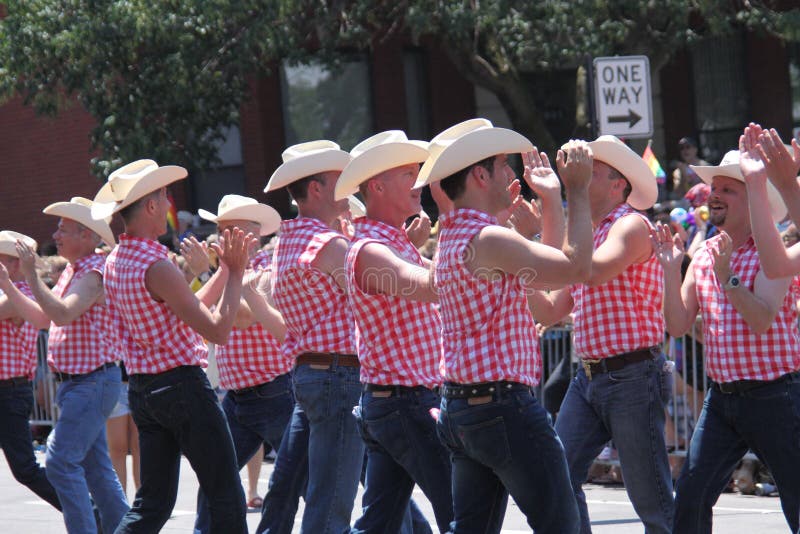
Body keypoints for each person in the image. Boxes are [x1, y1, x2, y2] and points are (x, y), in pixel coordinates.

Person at [417, 118, 594, 532]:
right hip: (502, 405)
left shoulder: (454, 238)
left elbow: (547, 304)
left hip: (462, 407)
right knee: (561, 525)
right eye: (501, 164)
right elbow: (575, 268)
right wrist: (577, 190)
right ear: (480, 175)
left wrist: (551, 202)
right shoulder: (490, 239)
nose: (512, 173)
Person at [90, 159, 253, 534]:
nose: (167, 205)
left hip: (145, 390)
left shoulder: (116, 260)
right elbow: (217, 330)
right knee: (226, 494)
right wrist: (237, 271)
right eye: (163, 197)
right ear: (149, 206)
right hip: (182, 387)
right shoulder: (156, 264)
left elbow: (186, 309)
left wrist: (226, 270)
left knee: (152, 505)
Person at [652, 136, 800, 533]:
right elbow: (679, 325)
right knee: (692, 494)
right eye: (714, 188)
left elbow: (762, 319)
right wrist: (670, 268)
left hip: (775, 396)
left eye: (727, 190)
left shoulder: (772, 252)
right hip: (722, 399)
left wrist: (728, 279)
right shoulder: (703, 253)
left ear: (754, 199)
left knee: (797, 499)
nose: (714, 196)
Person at [531, 135, 674, 533]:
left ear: (618, 185)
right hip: (590, 376)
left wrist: (563, 196)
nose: (581, 178)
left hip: (633, 376)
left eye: (591, 173)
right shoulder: (586, 235)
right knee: (557, 478)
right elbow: (548, 308)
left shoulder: (631, 225)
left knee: (652, 502)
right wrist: (515, 262)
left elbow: (588, 270)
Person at [333, 130, 452, 532]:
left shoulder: (387, 241)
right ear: (377, 186)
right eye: (408, 173)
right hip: (406, 402)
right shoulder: (370, 247)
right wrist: (456, 220)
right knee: (463, 508)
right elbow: (428, 285)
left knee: (378, 523)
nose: (418, 181)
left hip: (395, 401)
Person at [258, 140, 360, 534]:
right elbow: (372, 295)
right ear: (316, 189)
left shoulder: (288, 240)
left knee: (297, 487)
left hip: (312, 373)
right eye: (340, 180)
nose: (348, 186)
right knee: (331, 501)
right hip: (339, 374)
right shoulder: (328, 243)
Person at [14, 197, 129, 533]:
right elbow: (44, 318)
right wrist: (11, 283)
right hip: (81, 384)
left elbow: (62, 313)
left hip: (90, 382)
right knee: (96, 470)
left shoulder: (92, 273)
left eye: (63, 229)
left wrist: (31, 278)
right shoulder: (75, 271)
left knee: (61, 463)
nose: (56, 235)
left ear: (88, 235)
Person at [190, 194, 293, 533]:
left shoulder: (266, 268)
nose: (221, 239)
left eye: (229, 231)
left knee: (300, 481)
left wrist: (209, 275)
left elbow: (243, 317)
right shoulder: (227, 273)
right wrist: (214, 275)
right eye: (220, 231)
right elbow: (199, 315)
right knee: (214, 478)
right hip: (238, 397)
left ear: (253, 235)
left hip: (274, 393)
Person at [0, 230, 62, 512]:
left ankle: (84, 509)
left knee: (24, 468)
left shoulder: (19, 294)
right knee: (24, 467)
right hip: (9, 391)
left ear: (13, 264)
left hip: (9, 392)